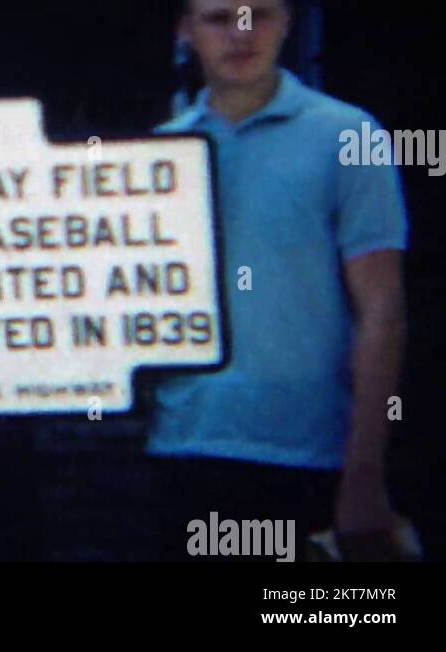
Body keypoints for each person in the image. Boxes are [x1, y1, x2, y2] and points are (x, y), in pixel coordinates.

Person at [146, 0, 410, 560]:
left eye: (258, 15)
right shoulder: (159, 154)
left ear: (288, 22)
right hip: (187, 442)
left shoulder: (350, 136)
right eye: (219, 18)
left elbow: (382, 308)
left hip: (311, 453)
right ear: (185, 30)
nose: (241, 34)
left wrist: (364, 474)